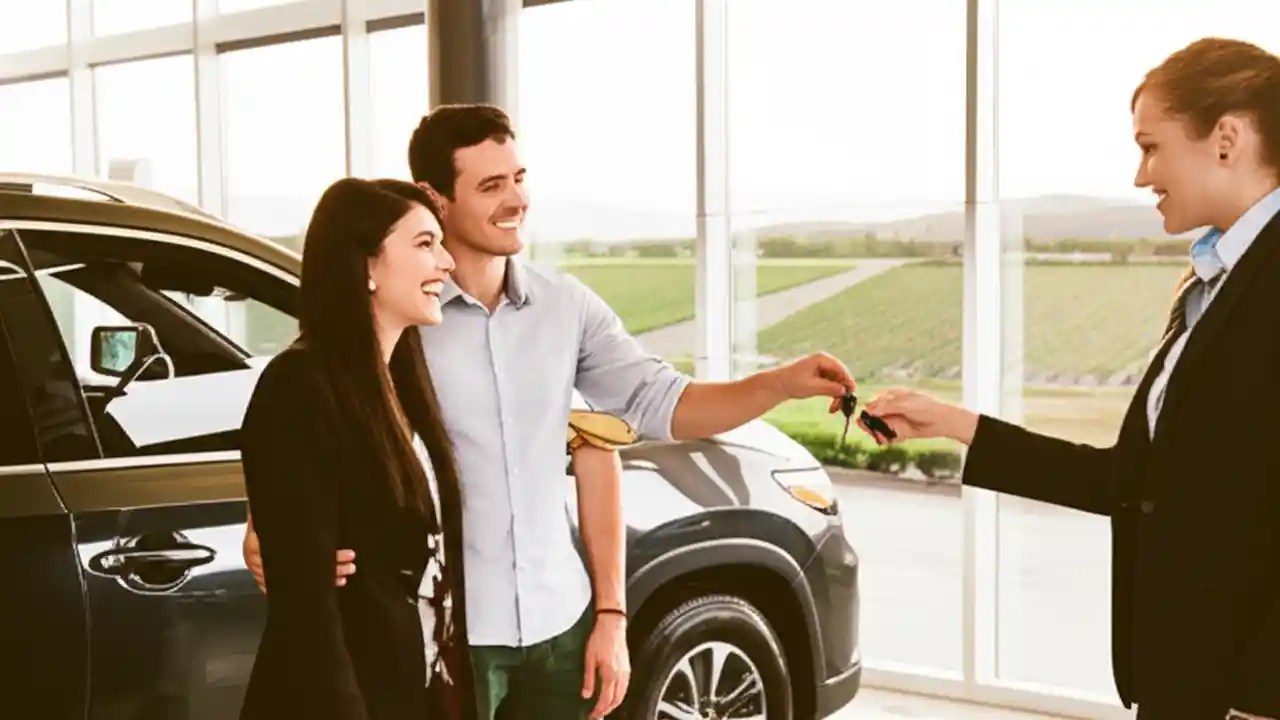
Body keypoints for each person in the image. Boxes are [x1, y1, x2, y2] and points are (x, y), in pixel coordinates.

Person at [244, 104, 857, 719]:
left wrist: (780, 384)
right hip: (455, 639)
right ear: (436, 197)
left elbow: (659, 404)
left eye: (519, 178)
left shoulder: (564, 308)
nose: (517, 200)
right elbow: (319, 428)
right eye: (491, 186)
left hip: (558, 617)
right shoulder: (405, 321)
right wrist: (269, 527)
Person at [855, 38, 1280, 720]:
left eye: (1151, 146)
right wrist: (954, 424)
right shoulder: (1209, 285)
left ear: (1225, 138)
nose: (1142, 175)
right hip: (1184, 678)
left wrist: (1262, 701)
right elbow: (1130, 484)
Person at [239, 178, 471, 719]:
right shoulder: (298, 385)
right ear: (365, 263)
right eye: (423, 244)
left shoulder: (404, 379)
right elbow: (307, 612)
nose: (447, 263)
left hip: (414, 690)